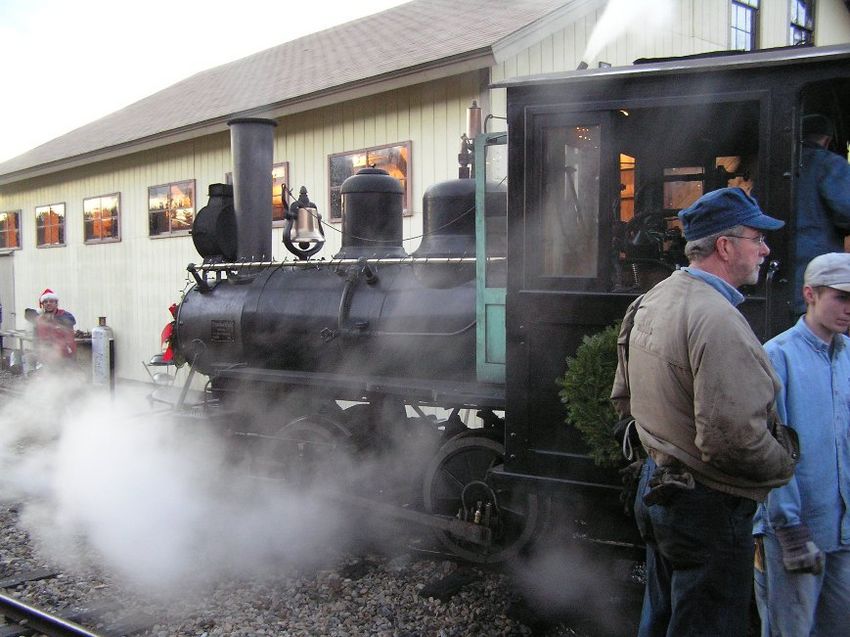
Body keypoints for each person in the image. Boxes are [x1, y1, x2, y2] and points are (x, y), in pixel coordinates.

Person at [610, 187, 798, 637]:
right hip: (705, 508)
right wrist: (787, 464)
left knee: (660, 618)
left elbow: (623, 397)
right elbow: (732, 440)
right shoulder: (716, 319)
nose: (765, 249)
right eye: (757, 238)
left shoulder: (654, 299)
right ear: (725, 245)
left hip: (657, 491)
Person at [754, 252, 850, 637]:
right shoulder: (778, 356)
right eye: (840, 297)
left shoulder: (848, 356)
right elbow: (770, 447)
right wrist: (789, 527)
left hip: (843, 530)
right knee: (790, 630)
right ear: (809, 293)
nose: (848, 308)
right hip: (794, 532)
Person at [792, 114, 850, 315]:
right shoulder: (829, 163)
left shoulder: (781, 164)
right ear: (827, 140)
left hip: (780, 272)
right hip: (820, 268)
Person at [34, 288, 77, 363]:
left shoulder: (65, 316)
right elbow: (36, 338)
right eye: (45, 302)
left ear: (56, 303)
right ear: (42, 305)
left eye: (51, 301)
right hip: (45, 357)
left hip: (64, 357)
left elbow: (71, 322)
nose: (48, 303)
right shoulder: (39, 320)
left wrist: (55, 320)